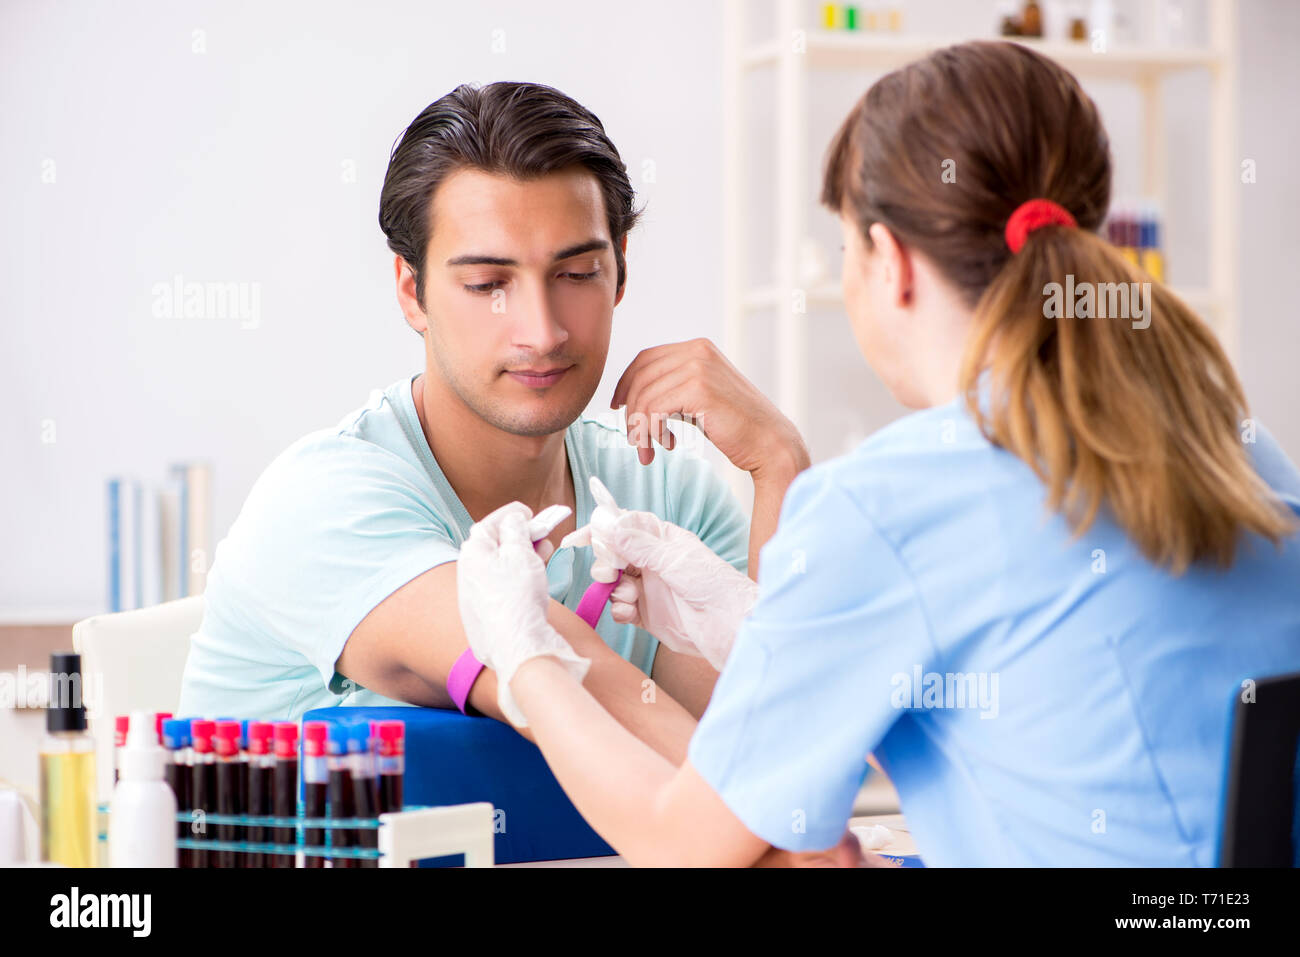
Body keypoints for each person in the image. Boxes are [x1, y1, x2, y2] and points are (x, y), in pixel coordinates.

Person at [454, 41, 1300, 866]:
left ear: (889, 262)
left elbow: (684, 843)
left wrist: (525, 651)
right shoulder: (1236, 454)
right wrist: (745, 624)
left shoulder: (896, 497)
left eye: (847, 245)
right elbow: (1044, 714)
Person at [177, 82, 810, 771]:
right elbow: (563, 681)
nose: (542, 332)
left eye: (576, 271)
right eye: (486, 285)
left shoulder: (666, 497)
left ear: (620, 271)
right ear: (411, 291)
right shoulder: (324, 502)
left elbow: (785, 744)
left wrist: (781, 464)